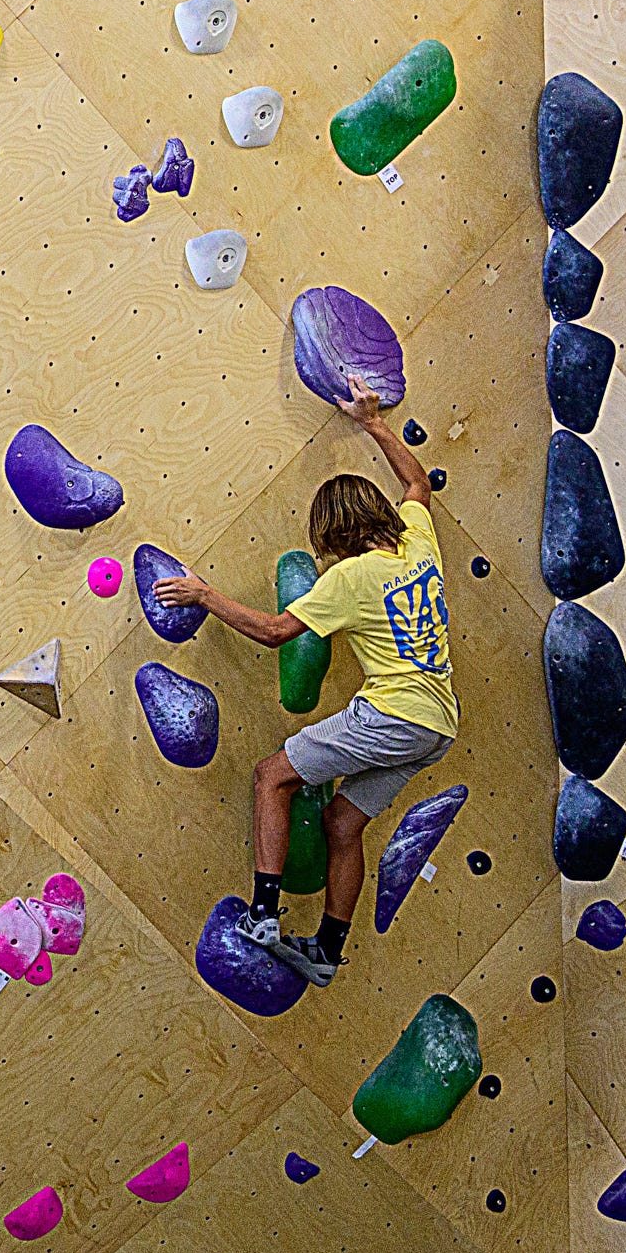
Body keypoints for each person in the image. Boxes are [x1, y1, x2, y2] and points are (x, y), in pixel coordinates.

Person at [151, 376, 455, 988]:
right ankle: (325, 949)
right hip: (438, 723)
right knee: (344, 825)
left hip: (393, 715)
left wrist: (205, 596)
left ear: (337, 537)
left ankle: (263, 917)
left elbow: (272, 632)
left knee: (272, 776)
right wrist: (374, 424)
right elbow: (417, 484)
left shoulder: (350, 579)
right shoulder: (419, 544)